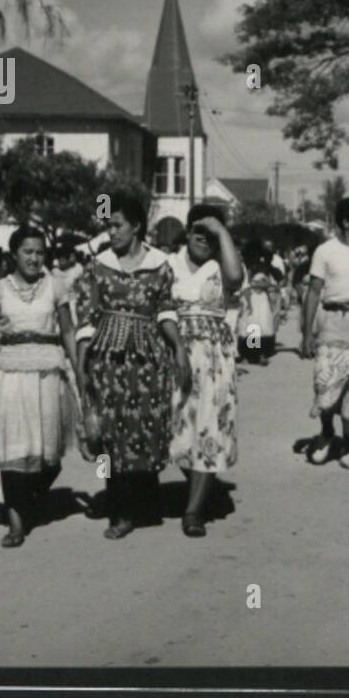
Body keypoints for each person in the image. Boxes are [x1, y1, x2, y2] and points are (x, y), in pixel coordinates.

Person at [74, 193, 187, 540]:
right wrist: (82, 360)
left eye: (118, 225)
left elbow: (166, 310)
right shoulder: (98, 265)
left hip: (147, 358)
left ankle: (144, 500)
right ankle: (118, 509)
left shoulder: (161, 264)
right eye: (108, 226)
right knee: (110, 434)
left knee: (144, 428)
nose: (112, 233)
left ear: (137, 226)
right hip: (108, 358)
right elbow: (87, 317)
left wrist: (179, 349)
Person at [0, 225, 83, 548]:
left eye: (40, 252)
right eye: (28, 251)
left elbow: (67, 331)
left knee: (47, 456)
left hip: (47, 375)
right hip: (8, 375)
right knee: (12, 451)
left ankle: (31, 495)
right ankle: (16, 523)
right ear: (14, 254)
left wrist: (78, 368)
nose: (35, 258)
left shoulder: (57, 287)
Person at [168, 205, 244, 537]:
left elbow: (235, 279)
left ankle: (193, 510)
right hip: (174, 352)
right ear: (186, 232)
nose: (204, 239)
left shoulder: (222, 264)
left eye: (210, 234)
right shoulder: (168, 263)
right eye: (198, 231)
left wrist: (221, 230)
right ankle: (201, 484)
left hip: (214, 356)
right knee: (179, 429)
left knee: (209, 428)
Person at [301, 196, 349, 470]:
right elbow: (313, 292)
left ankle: (348, 445)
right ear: (347, 222)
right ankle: (326, 435)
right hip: (332, 324)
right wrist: (307, 333)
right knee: (326, 386)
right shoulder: (325, 251)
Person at [238, 249, 282, 365]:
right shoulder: (249, 269)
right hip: (252, 296)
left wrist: (267, 284)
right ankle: (252, 353)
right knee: (252, 324)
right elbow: (247, 285)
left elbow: (276, 281)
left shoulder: (269, 269)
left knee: (262, 325)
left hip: (262, 297)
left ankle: (260, 353)